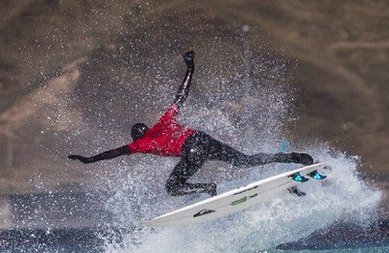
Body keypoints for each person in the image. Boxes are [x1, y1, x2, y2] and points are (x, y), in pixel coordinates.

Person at [68, 51, 314, 196]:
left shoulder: (143, 143)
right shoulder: (163, 123)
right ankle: (295, 158)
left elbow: (117, 152)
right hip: (202, 139)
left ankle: (207, 188)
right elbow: (181, 95)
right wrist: (190, 67)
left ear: (137, 138)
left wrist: (90, 160)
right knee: (245, 160)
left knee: (173, 187)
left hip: (192, 151)